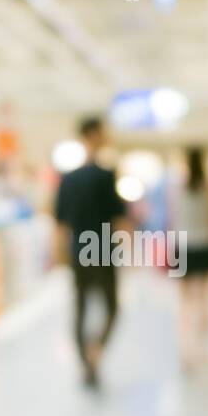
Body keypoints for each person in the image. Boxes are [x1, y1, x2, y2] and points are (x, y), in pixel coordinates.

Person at [54, 115, 127, 389]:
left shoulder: (68, 179)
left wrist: (60, 254)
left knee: (81, 308)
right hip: (103, 250)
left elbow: (60, 224)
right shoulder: (105, 176)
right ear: (94, 134)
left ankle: (86, 362)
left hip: (78, 251)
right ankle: (95, 352)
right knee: (112, 307)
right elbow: (118, 219)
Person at [172, 147, 208, 370]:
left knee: (184, 302)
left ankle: (185, 348)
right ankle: (201, 346)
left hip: (183, 245)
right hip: (204, 245)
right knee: (204, 299)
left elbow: (174, 217)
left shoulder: (179, 186)